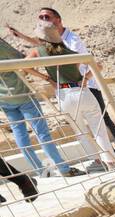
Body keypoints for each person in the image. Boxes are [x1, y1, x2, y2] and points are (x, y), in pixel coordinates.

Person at [30, 8, 115, 159]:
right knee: (96, 126)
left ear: (58, 19)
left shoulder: (68, 41)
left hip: (75, 89)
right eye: (41, 17)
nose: (43, 18)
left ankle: (110, 153)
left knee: (92, 124)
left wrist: (48, 78)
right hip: (79, 86)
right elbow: (95, 64)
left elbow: (26, 64)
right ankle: (110, 158)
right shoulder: (62, 48)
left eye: (46, 16)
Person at [0, 35, 77, 178]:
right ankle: (63, 168)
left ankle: (41, 171)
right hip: (22, 93)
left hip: (4, 98)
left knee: (20, 135)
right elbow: (22, 58)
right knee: (42, 133)